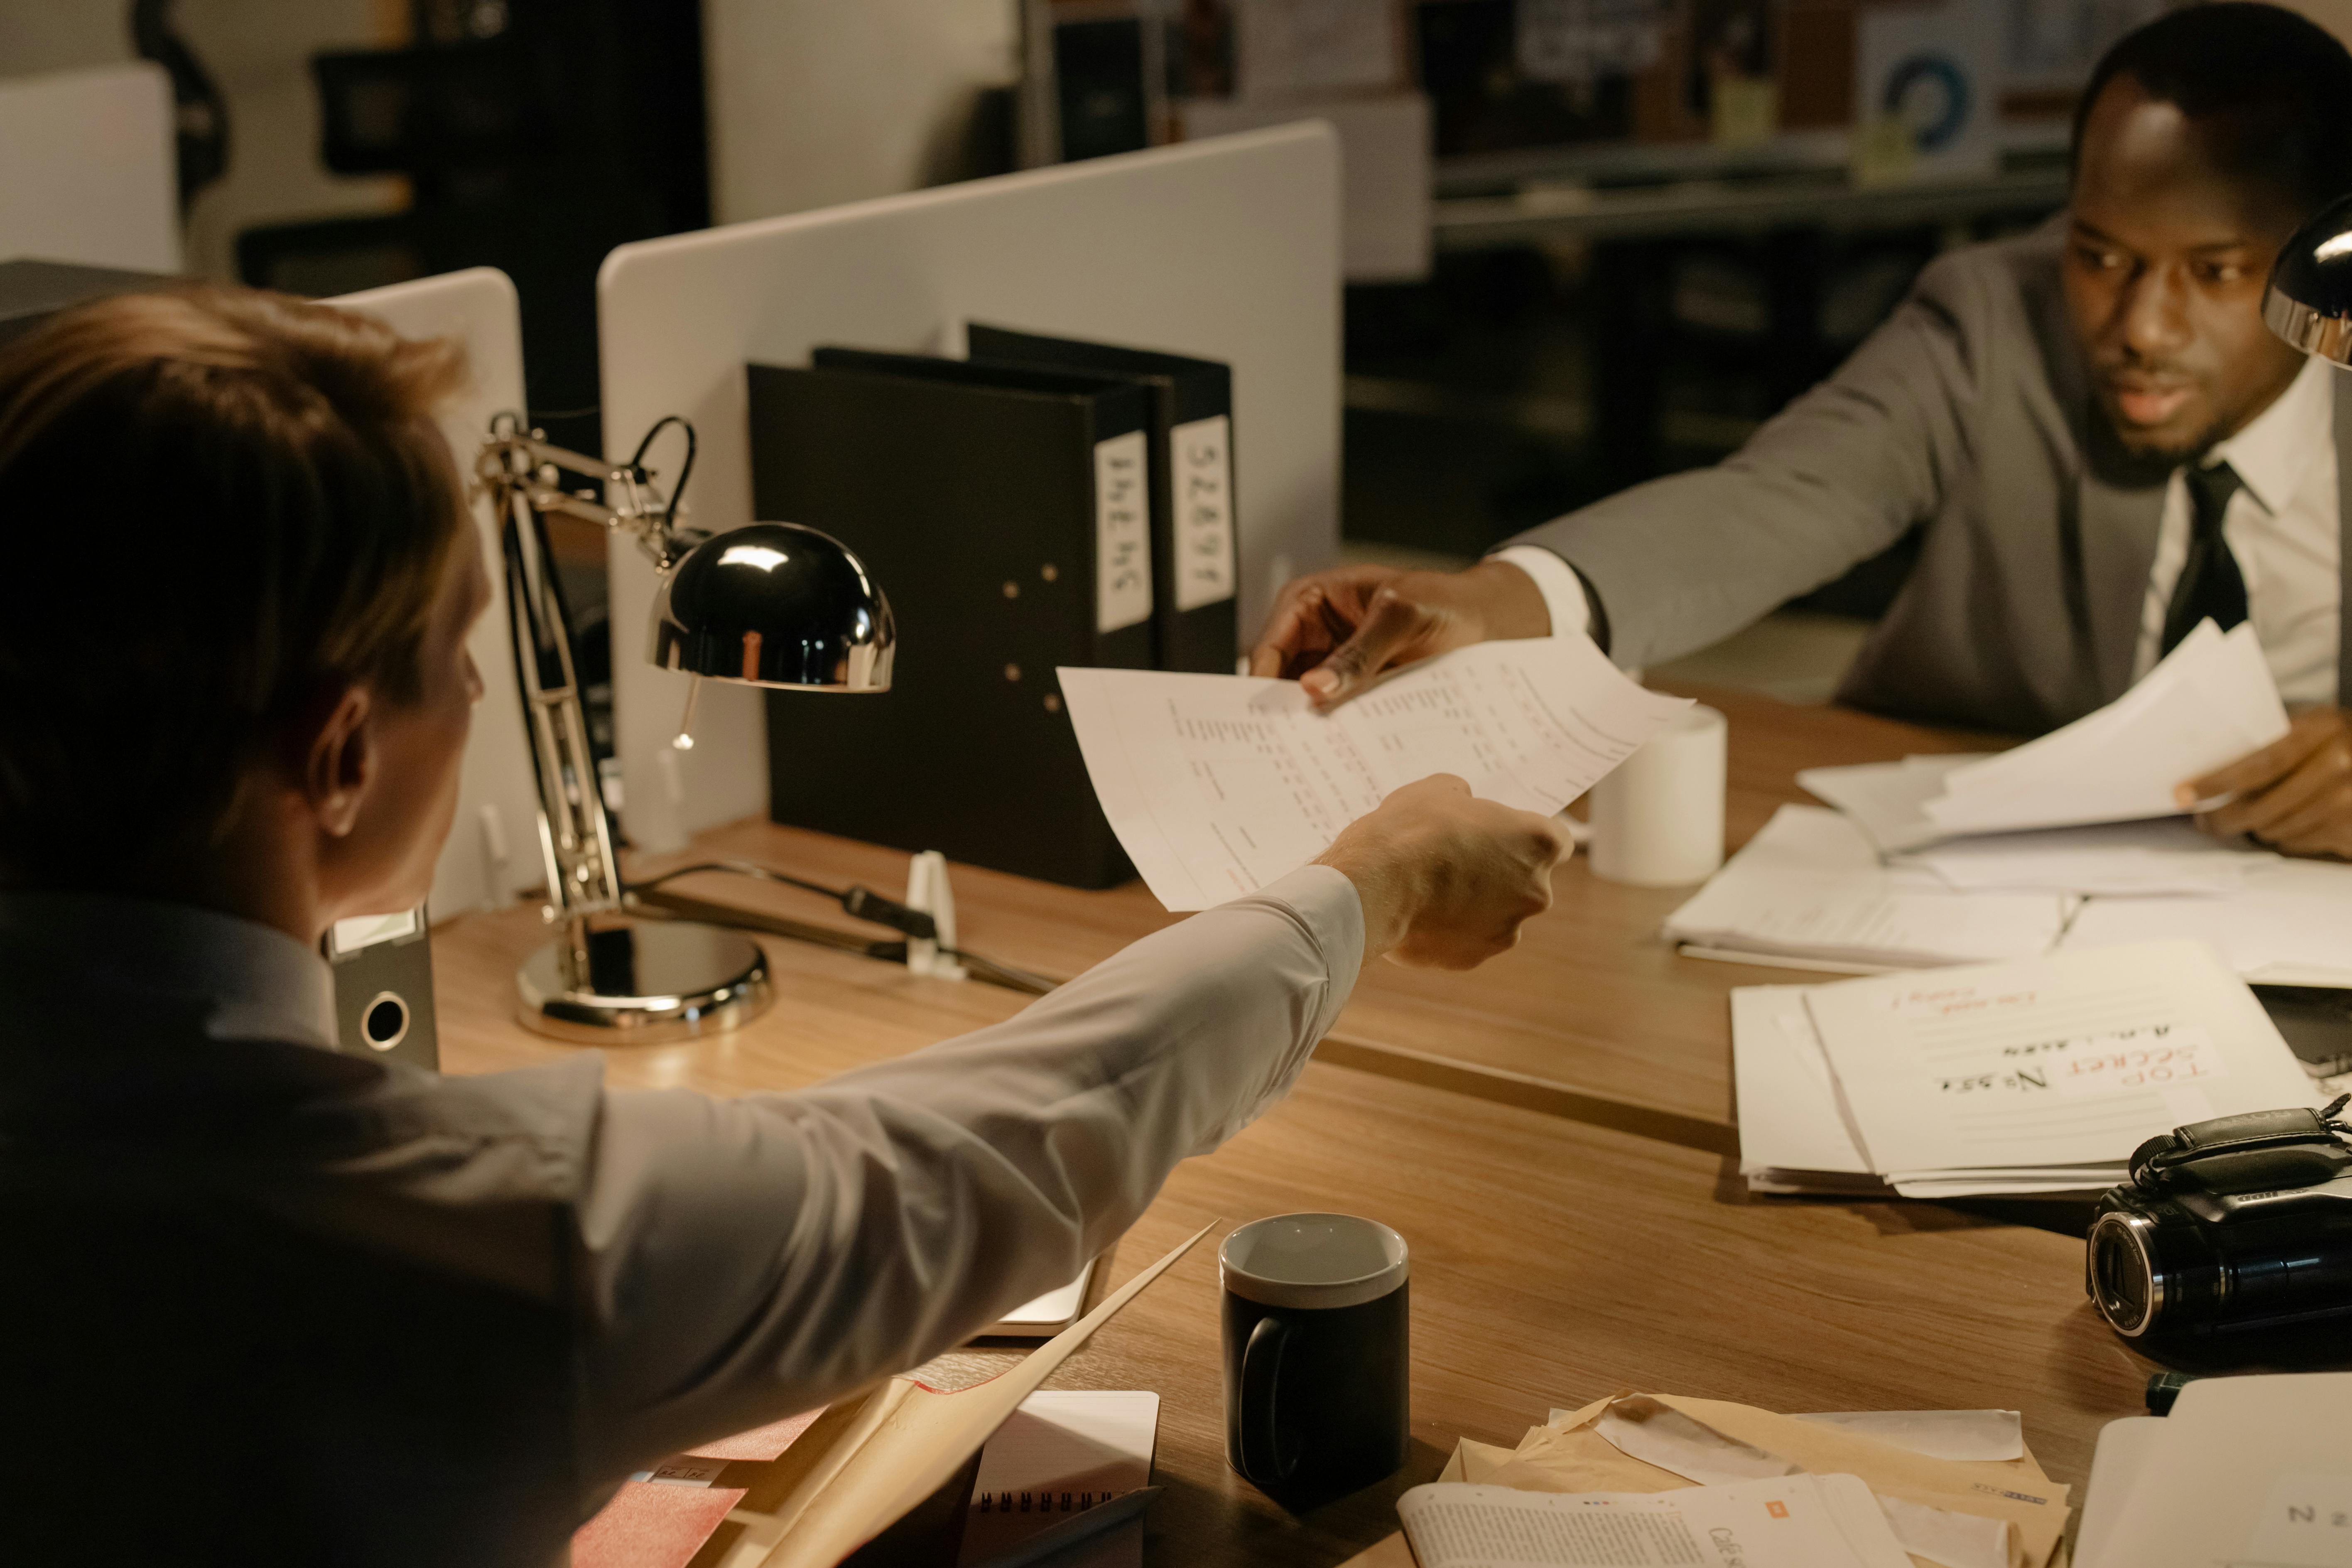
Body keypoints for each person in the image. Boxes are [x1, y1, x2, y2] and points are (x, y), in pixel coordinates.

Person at [0, 286, 1567, 1563]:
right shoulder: (451, 1237)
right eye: (461, 650)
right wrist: (1388, 874)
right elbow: (980, 1160)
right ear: (343, 755)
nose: (483, 690)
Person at [1254, 4, 2352, 859]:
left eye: (2217, 273)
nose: (2140, 329)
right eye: (2101, 255)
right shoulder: (1993, 314)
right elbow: (1777, 497)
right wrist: (1496, 602)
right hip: (1962, 853)